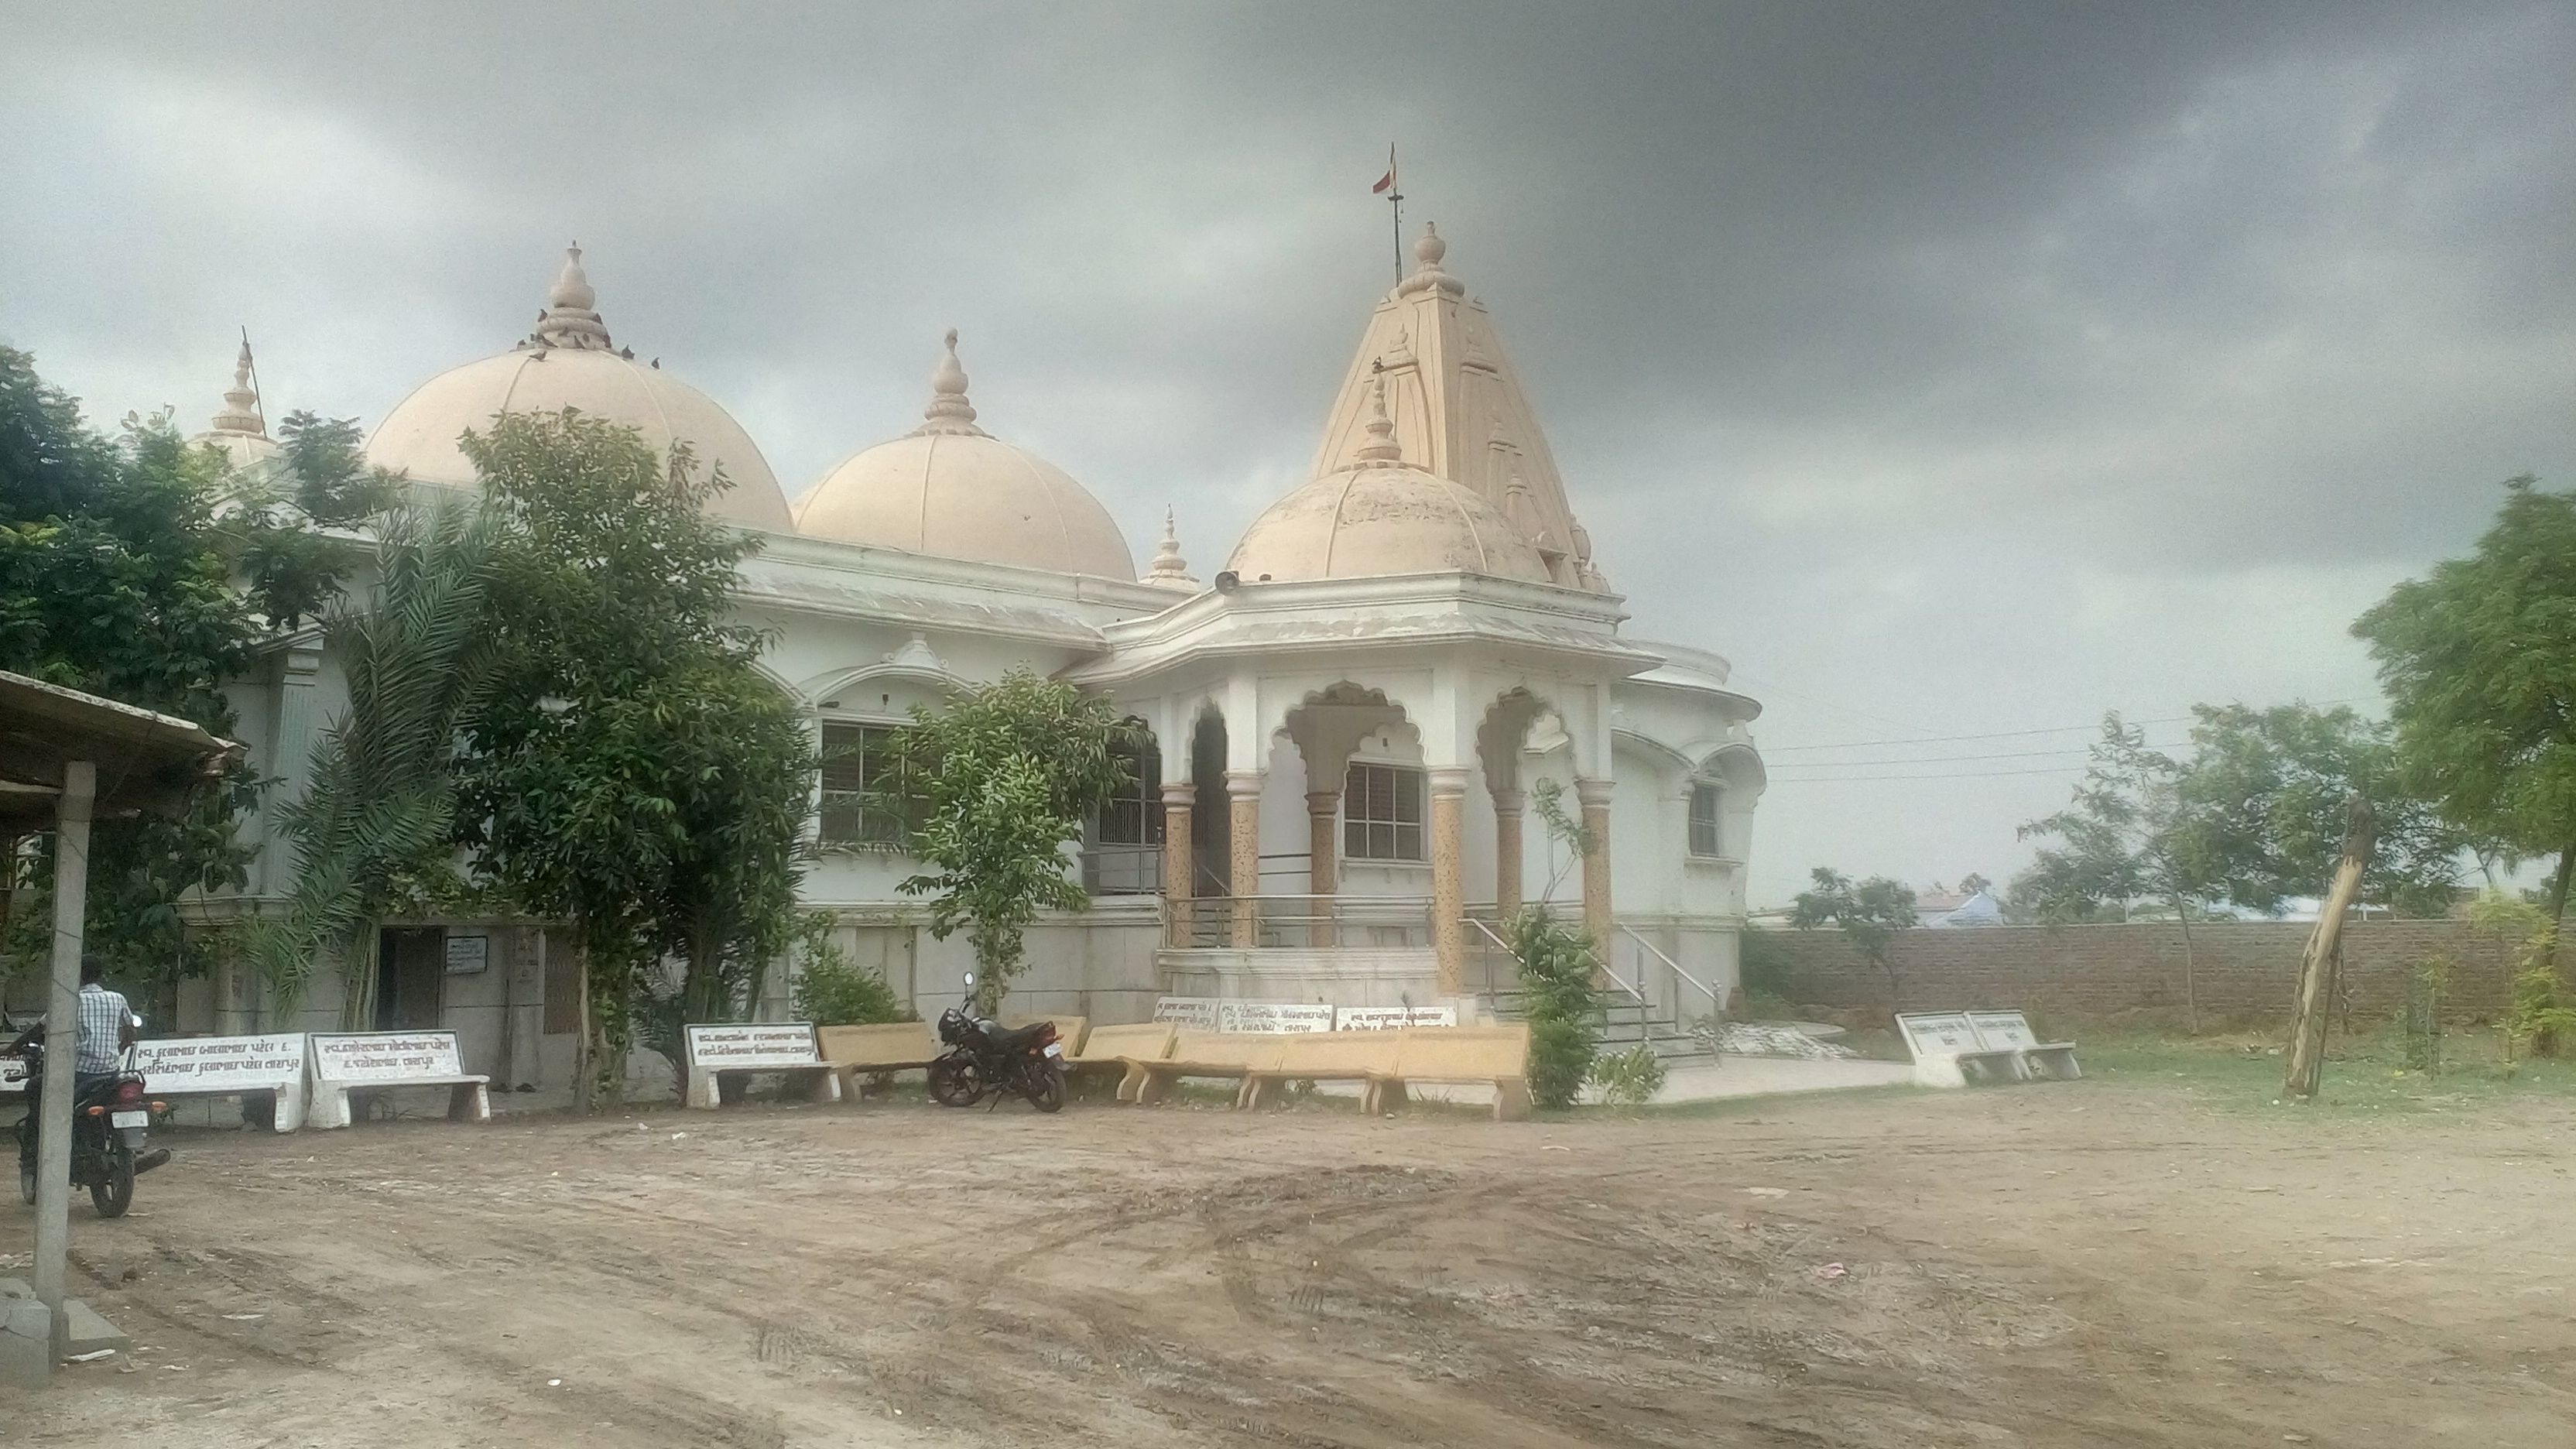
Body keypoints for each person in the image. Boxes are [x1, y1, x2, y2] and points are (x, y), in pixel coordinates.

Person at [7, 954, 139, 1197]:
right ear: (100, 975)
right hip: (110, 1074)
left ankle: (32, 1155)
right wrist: (117, 1051)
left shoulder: (69, 1001)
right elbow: (130, 1033)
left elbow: (39, 1030)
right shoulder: (117, 998)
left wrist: (12, 1049)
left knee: (34, 1088)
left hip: (78, 1074)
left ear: (77, 975)